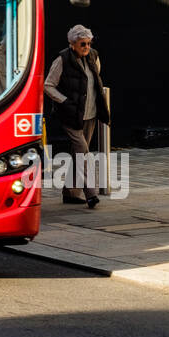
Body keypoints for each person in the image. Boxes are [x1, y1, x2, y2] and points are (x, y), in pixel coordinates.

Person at [45, 24, 109, 208]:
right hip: (71, 114)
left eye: (89, 43)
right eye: (83, 44)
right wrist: (65, 101)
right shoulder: (62, 59)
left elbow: (96, 77)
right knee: (84, 153)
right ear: (72, 44)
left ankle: (71, 192)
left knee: (78, 152)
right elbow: (48, 85)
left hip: (89, 113)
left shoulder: (93, 56)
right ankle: (91, 194)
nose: (87, 47)